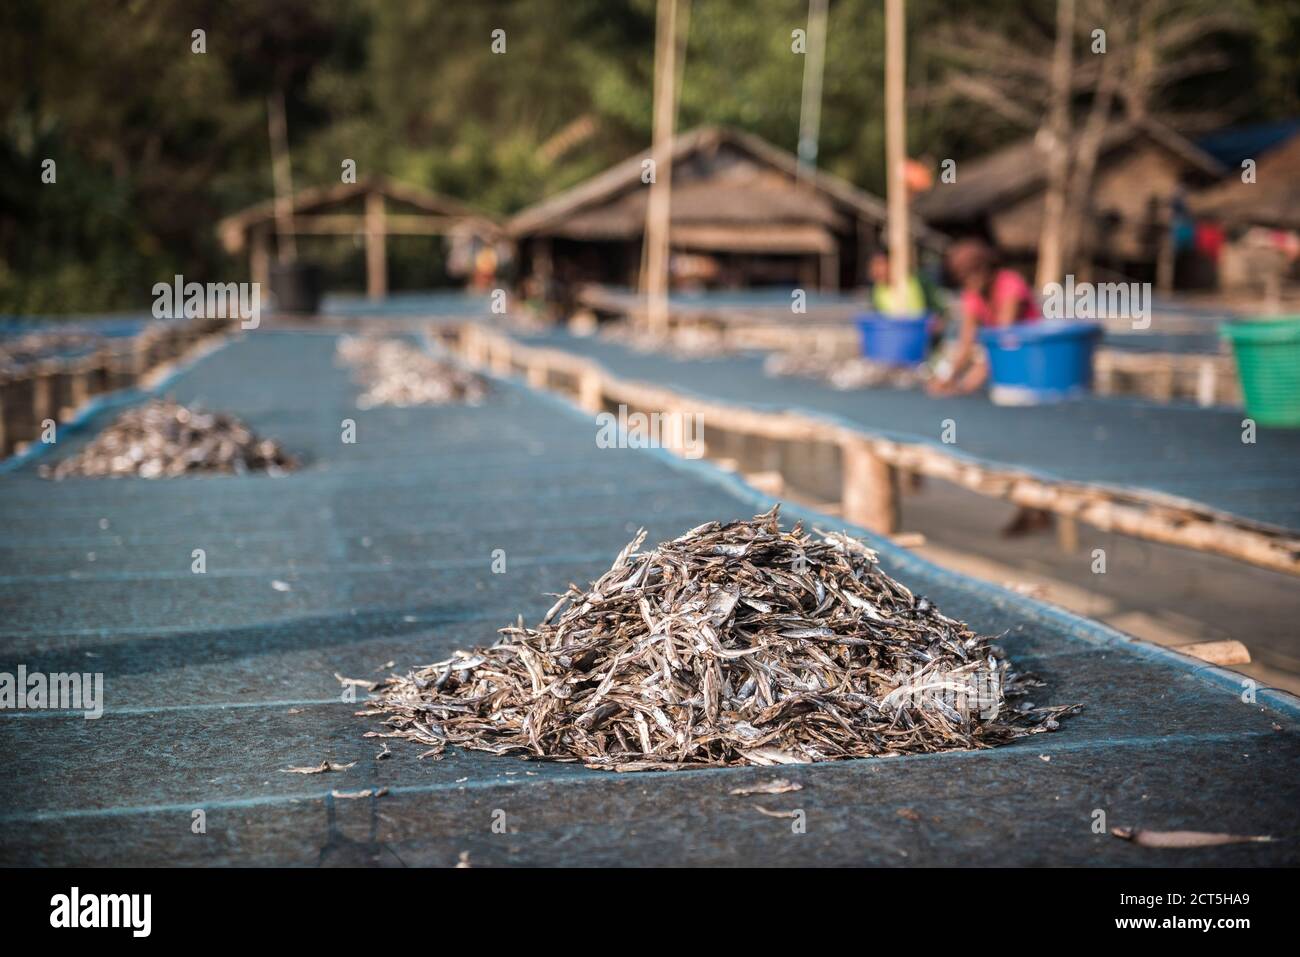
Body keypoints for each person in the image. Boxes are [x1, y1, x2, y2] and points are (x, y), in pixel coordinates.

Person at [927, 238, 1039, 397]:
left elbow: (1002, 341)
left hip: (1033, 356)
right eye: (962, 276)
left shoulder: (1010, 284)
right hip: (1002, 360)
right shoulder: (973, 294)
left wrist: (966, 385)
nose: (967, 280)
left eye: (971, 273)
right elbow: (965, 344)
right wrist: (945, 378)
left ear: (986, 268)